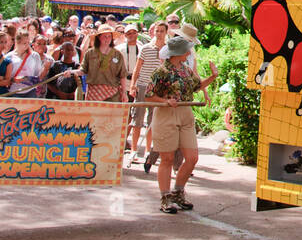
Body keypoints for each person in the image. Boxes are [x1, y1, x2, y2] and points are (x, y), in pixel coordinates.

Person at [142, 36, 217, 213]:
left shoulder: (186, 70)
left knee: (192, 157)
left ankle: (178, 191)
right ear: (178, 53)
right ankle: (165, 197)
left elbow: (197, 87)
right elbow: (148, 96)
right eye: (187, 50)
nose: (189, 52)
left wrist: (213, 76)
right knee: (167, 158)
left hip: (185, 113)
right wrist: (165, 100)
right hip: (166, 115)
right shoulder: (161, 71)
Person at [129, 21, 167, 166]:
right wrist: (133, 85)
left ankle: (147, 151)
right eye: (157, 31)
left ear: (165, 33)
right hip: (143, 85)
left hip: (157, 88)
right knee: (137, 118)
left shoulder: (167, 50)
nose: (159, 34)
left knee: (152, 121)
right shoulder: (145, 48)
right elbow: (137, 69)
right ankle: (133, 150)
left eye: (162, 31)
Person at [81, 23, 127, 102]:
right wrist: (72, 72)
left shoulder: (117, 54)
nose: (107, 39)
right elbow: (83, 70)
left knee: (111, 114)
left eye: (109, 36)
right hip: (93, 94)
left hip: (113, 93)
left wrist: (124, 93)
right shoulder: (90, 53)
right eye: (104, 36)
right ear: (99, 37)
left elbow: (122, 75)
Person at [6, 29, 45, 96]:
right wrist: (14, 80)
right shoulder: (9, 57)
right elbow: (5, 77)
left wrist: (27, 78)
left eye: (28, 43)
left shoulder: (34, 56)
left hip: (30, 91)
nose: (27, 45)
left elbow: (38, 75)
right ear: (17, 42)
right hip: (13, 91)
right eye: (24, 43)